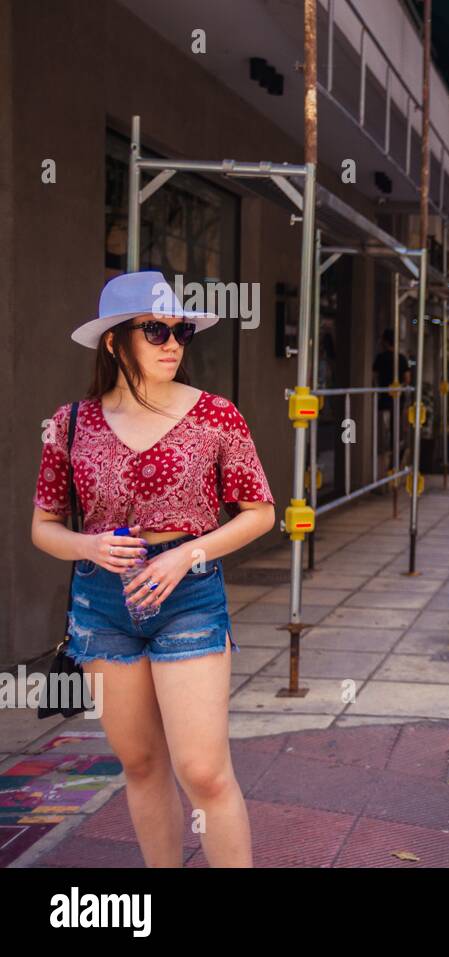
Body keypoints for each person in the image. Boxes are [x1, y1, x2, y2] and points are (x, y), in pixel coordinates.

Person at [31, 270, 276, 867]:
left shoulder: (217, 416)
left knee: (203, 771)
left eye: (182, 330)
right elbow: (43, 528)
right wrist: (86, 548)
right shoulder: (70, 424)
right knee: (140, 764)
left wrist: (188, 552)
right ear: (115, 341)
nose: (173, 343)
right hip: (102, 604)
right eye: (156, 329)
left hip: (188, 596)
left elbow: (261, 513)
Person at [373, 327, 412, 482]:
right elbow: (407, 379)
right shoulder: (401, 358)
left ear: (384, 341)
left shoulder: (380, 358)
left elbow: (374, 377)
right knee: (396, 432)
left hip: (382, 399)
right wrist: (398, 387)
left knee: (383, 432)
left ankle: (385, 465)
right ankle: (393, 464)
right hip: (397, 400)